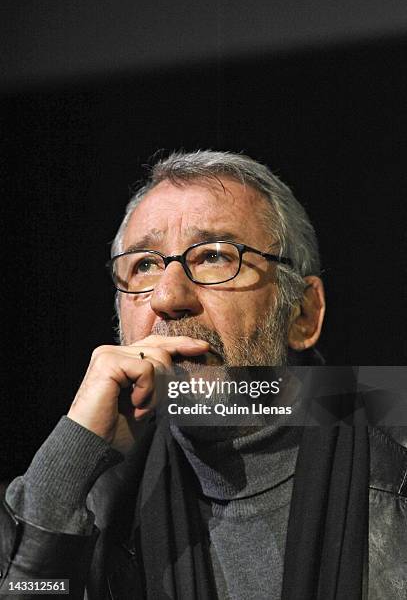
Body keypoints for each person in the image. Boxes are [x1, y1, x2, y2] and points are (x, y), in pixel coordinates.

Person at [0, 150, 406, 600]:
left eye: (215, 255)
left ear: (303, 314)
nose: (168, 297)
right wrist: (72, 454)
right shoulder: (91, 490)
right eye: (145, 265)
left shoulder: (396, 431)